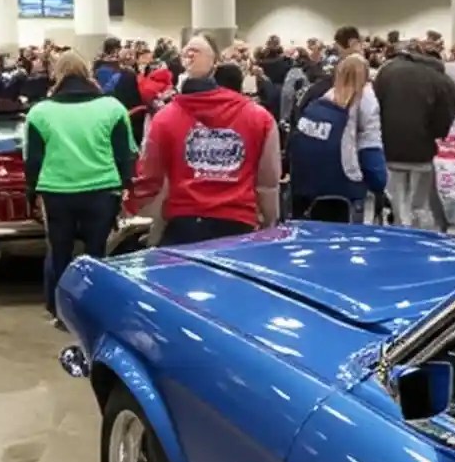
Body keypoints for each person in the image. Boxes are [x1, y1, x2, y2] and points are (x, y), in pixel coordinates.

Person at [128, 32, 281, 245]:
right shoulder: (259, 118)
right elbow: (268, 183)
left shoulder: (165, 118)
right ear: (216, 65)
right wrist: (269, 224)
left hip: (184, 226)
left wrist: (130, 209)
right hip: (239, 226)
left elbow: (150, 178)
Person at [24, 50, 135, 323]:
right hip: (102, 191)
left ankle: (60, 311)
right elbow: (125, 153)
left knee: (59, 252)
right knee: (97, 253)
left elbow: (33, 160)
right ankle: (95, 310)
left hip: (57, 193)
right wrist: (125, 185)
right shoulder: (112, 108)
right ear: (88, 72)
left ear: (56, 74)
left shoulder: (39, 112)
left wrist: (31, 195)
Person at [289, 55, 386, 222]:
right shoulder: (365, 100)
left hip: (308, 186)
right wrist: (379, 182)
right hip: (345, 189)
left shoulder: (323, 97)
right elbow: (370, 148)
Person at [373, 41, 455, 229]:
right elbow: (446, 116)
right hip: (422, 151)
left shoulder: (387, 71)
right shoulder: (441, 79)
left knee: (395, 199)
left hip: (389, 149)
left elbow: (374, 107)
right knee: (420, 204)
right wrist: (434, 134)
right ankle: (417, 233)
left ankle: (396, 229)